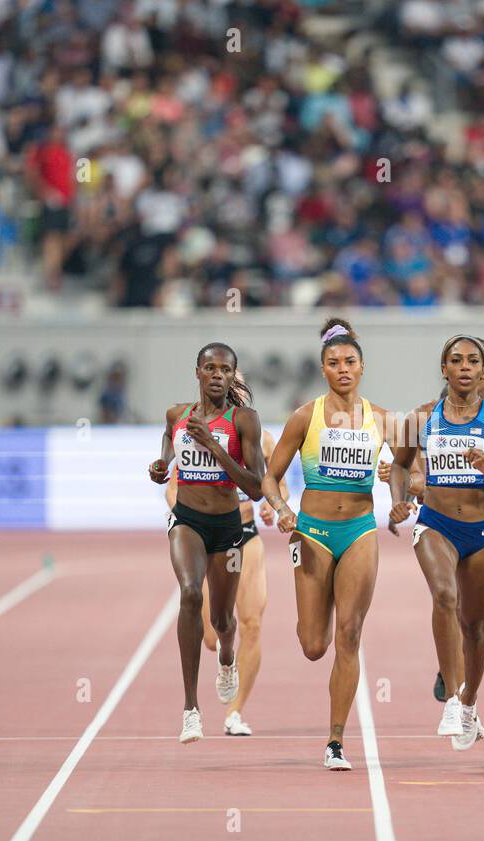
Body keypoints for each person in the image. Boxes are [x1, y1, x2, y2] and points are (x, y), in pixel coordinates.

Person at [388, 335, 484, 751]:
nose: (466, 367)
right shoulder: (420, 418)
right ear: (444, 369)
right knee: (444, 595)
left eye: (473, 360)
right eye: (457, 360)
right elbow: (400, 466)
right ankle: (452, 697)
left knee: (478, 628)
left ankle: (470, 701)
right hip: (435, 525)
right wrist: (399, 502)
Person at [261, 319, 396, 770]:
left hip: (359, 530)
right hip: (313, 532)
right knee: (314, 644)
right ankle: (315, 618)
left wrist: (399, 479)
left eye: (350, 362)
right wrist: (281, 509)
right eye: (334, 363)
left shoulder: (382, 419)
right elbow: (270, 477)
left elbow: (413, 473)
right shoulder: (306, 416)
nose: (343, 369)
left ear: (362, 368)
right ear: (323, 369)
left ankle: (336, 740)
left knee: (350, 635)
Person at [148, 343, 265, 744]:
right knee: (190, 593)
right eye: (210, 368)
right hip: (188, 520)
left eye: (225, 370)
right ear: (197, 372)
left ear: (233, 376)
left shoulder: (245, 421)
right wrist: (162, 466)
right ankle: (190, 708)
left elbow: (256, 486)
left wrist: (214, 446)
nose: (217, 375)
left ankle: (227, 659)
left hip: (228, 528)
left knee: (223, 621)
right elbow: (167, 439)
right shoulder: (177, 415)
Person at [165, 370, 286, 736]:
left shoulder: (259, 435)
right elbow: (173, 485)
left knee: (252, 624)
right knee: (213, 634)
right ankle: (224, 659)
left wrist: (275, 507)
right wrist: (184, 512)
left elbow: (273, 485)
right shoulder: (190, 425)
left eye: (235, 382)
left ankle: (235, 712)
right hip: (203, 532)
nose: (228, 386)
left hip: (245, 537)